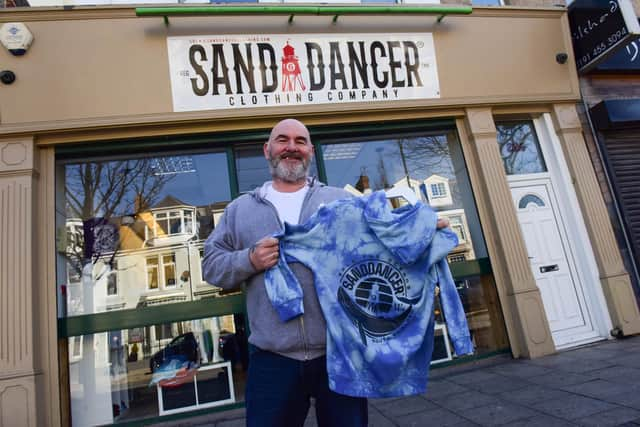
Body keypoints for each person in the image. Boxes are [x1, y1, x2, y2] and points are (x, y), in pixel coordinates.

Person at [202, 118, 448, 427]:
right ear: (267, 150)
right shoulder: (241, 210)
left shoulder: (340, 201)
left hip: (340, 351)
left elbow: (384, 238)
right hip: (272, 359)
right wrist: (249, 259)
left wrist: (422, 228)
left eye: (300, 141)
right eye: (282, 140)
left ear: (311, 152)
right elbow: (211, 266)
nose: (291, 147)